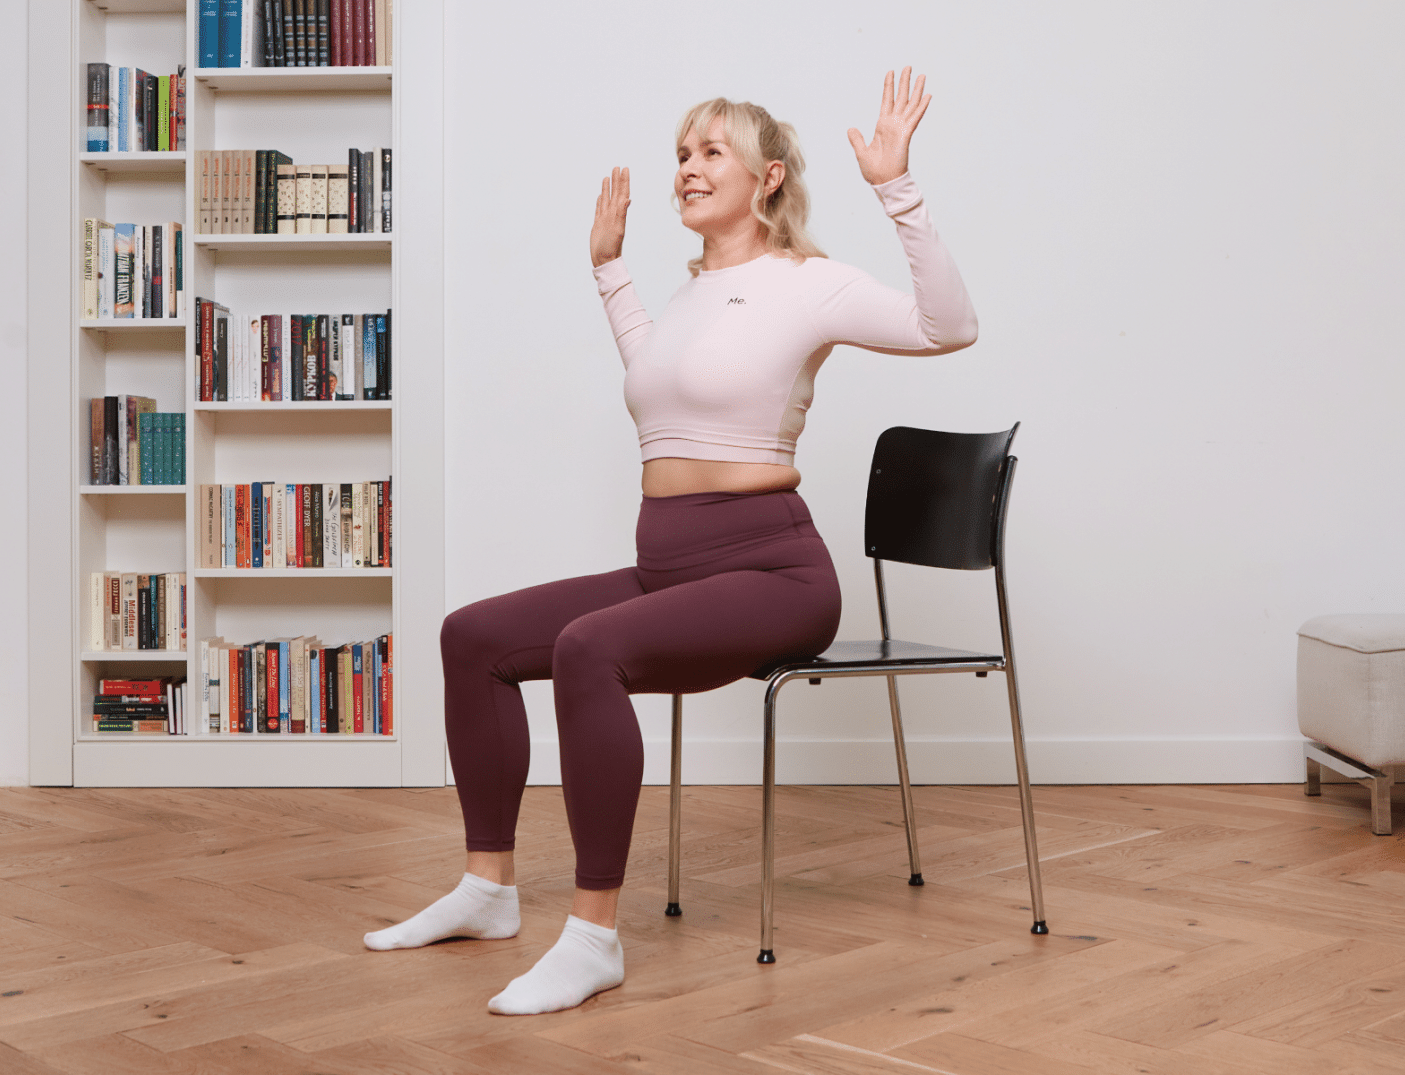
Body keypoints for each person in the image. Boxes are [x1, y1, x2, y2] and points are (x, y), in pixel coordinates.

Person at [362, 66, 979, 1015]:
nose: (687, 168)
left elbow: (951, 326)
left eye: (711, 151)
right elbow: (660, 381)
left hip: (775, 571)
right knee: (472, 636)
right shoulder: (692, 296)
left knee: (588, 647)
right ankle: (487, 890)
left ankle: (593, 937)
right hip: (671, 567)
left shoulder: (809, 284)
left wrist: (896, 186)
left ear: (768, 177)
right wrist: (609, 271)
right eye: (682, 153)